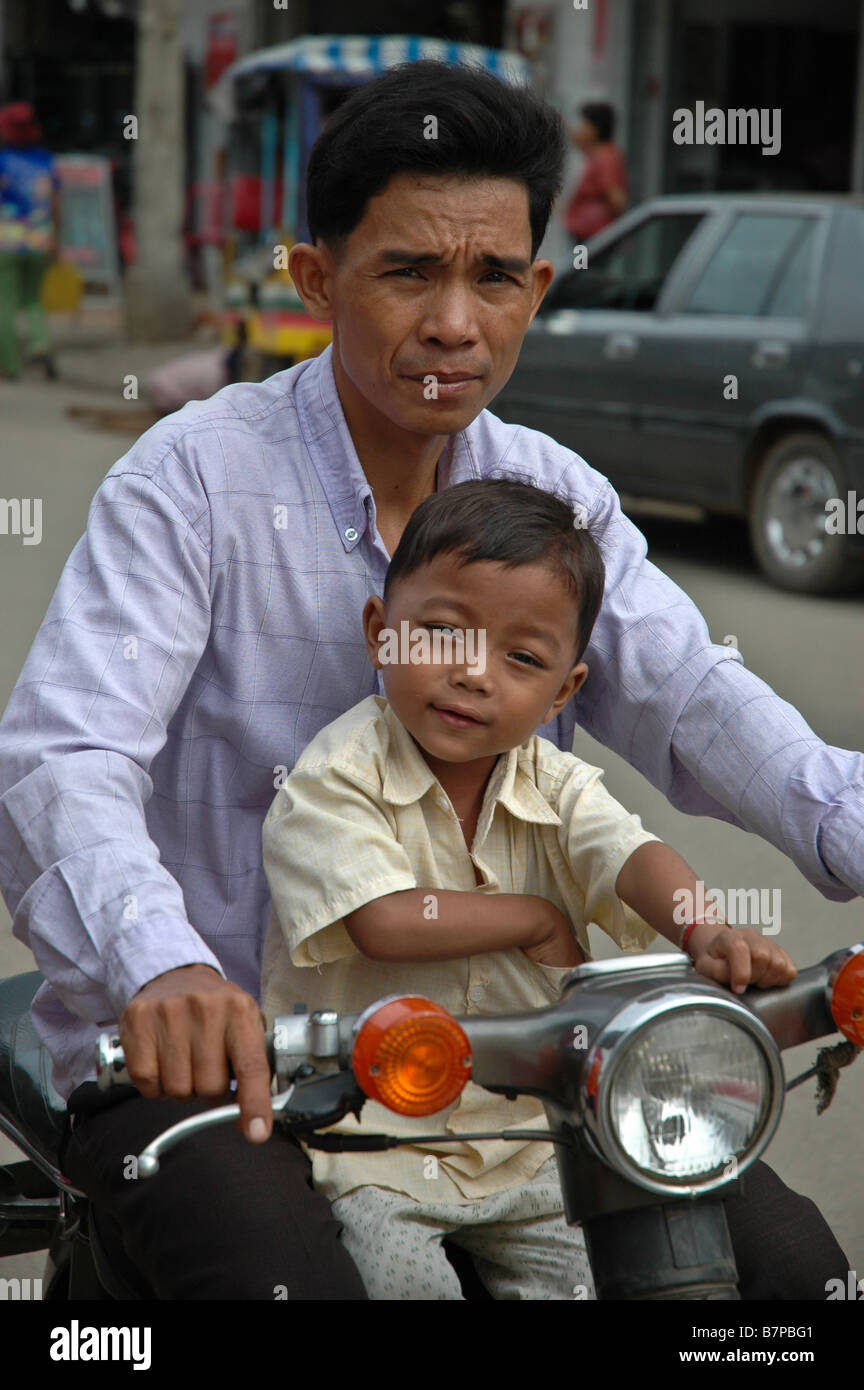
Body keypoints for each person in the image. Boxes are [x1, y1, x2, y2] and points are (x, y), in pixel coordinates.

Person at [0, 59, 855, 1300]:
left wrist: (842, 823)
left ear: (538, 289)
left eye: (494, 276)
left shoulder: (557, 501)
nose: (456, 322)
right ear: (315, 279)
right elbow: (65, 756)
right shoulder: (192, 480)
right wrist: (163, 968)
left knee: (782, 1274)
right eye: (409, 271)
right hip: (223, 1060)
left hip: (509, 1059)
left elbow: (697, 697)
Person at [260, 478, 799, 1300]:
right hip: (368, 1138)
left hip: (528, 1138)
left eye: (521, 658)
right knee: (406, 1288)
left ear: (564, 691)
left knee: (595, 1284)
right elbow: (381, 921)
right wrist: (533, 917)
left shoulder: (556, 782)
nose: (475, 675)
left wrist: (708, 933)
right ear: (381, 634)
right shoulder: (335, 776)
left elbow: (632, 853)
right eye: (443, 634)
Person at [0, 101, 60, 379]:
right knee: (35, 298)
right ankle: (41, 344)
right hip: (39, 238)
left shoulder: (3, 160)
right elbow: (56, 204)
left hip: (7, 239)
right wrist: (56, 238)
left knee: (6, 302)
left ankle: (9, 365)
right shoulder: (46, 160)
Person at [564, 101, 628, 243]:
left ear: (595, 129)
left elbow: (617, 199)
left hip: (594, 237)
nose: (580, 129)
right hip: (586, 234)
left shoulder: (605, 158)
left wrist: (622, 230)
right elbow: (578, 140)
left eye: (584, 125)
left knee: (584, 266)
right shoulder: (597, 152)